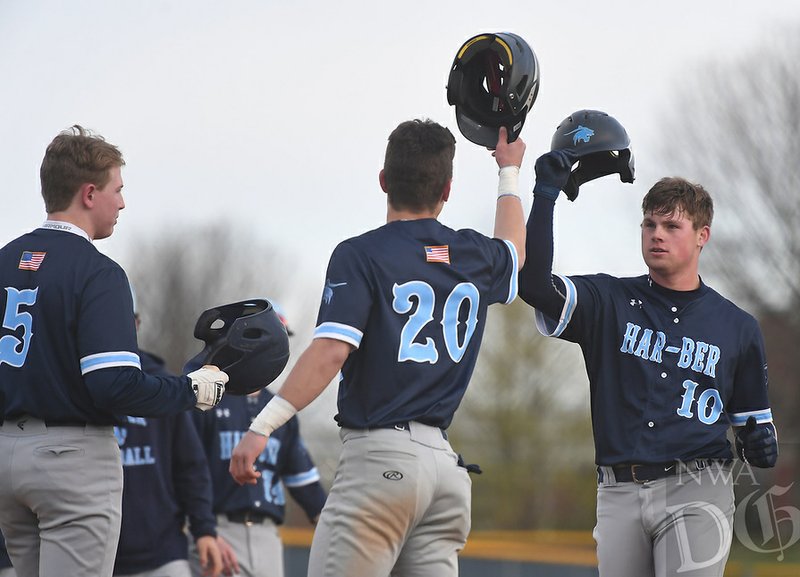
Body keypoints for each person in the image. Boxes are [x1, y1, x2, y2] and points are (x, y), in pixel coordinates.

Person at [230, 119, 527, 577]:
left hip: (381, 461)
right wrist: (509, 170)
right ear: (447, 189)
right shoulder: (471, 254)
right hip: (444, 474)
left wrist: (262, 426)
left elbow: (331, 351)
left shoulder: (362, 254)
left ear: (384, 180)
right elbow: (514, 250)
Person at [517, 151, 778, 577]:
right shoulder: (609, 301)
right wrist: (545, 193)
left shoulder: (738, 327)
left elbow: (758, 431)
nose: (657, 235)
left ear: (702, 235)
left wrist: (761, 443)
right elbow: (534, 286)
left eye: (672, 226)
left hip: (698, 488)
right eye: (649, 224)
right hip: (617, 490)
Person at [0, 125, 228, 577]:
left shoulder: (5, 259)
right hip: (69, 459)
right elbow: (113, 385)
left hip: (6, 456)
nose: (122, 202)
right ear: (89, 193)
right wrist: (191, 390)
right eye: (117, 189)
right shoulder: (97, 271)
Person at [190, 306, 327, 577]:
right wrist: (203, 530)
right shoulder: (208, 397)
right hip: (218, 529)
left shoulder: (280, 409)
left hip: (268, 536)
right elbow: (186, 473)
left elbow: (305, 485)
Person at [112, 302, 224, 577]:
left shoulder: (162, 384)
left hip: (163, 553)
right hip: (96, 555)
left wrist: (204, 529)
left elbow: (190, 466)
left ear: (137, 323)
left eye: (124, 318)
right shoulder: (74, 384)